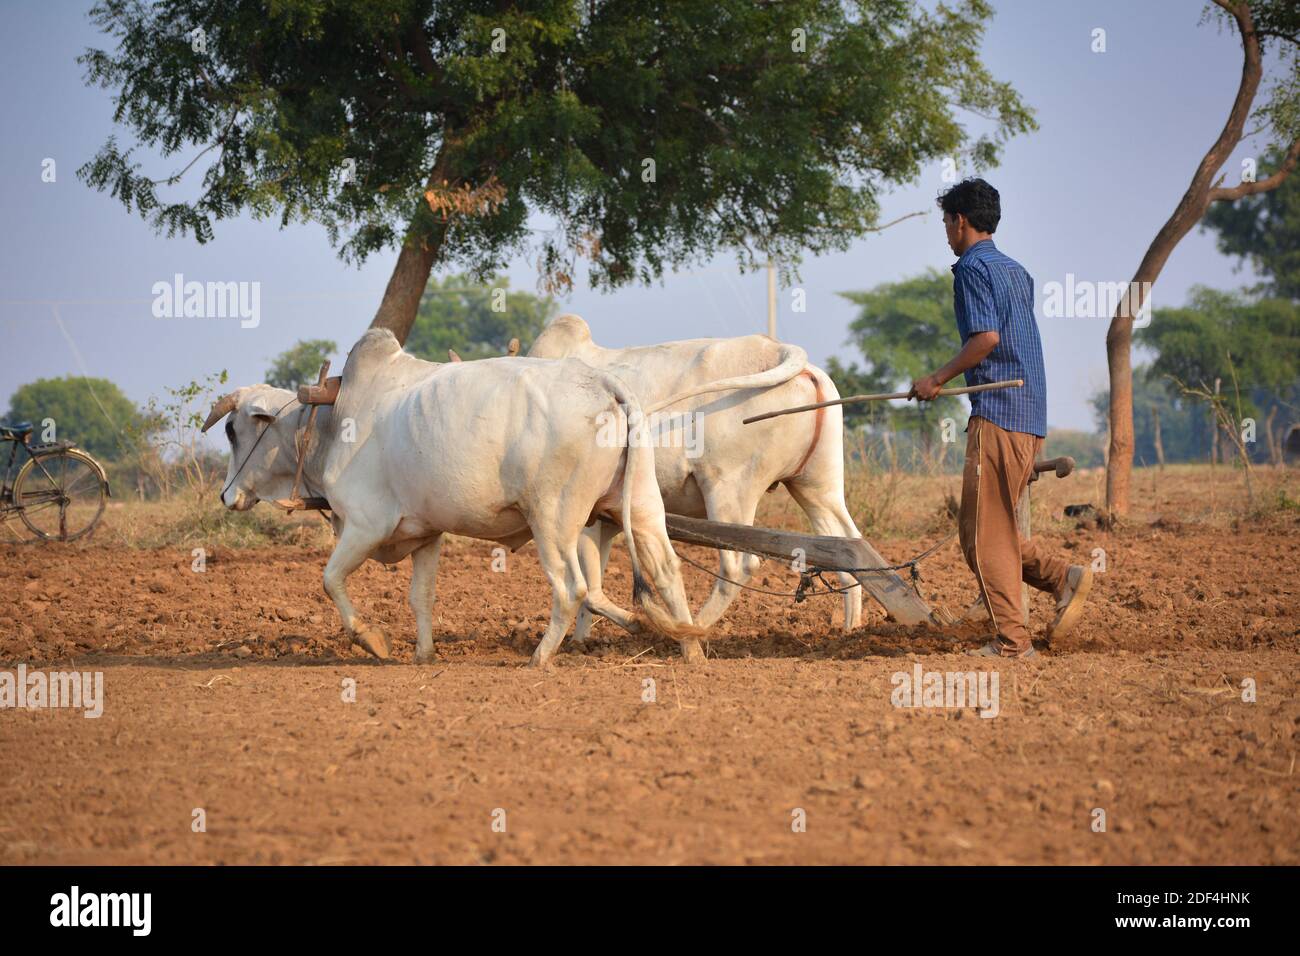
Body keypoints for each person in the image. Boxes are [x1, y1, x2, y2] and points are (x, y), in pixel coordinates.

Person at [909, 178, 1091, 659]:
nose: (946, 231)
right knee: (987, 532)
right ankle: (1063, 578)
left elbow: (986, 338)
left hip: (998, 414)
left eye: (947, 221)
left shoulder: (971, 268)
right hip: (1029, 414)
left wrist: (937, 379)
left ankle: (1012, 642)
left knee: (984, 538)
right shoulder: (1017, 271)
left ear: (960, 221)